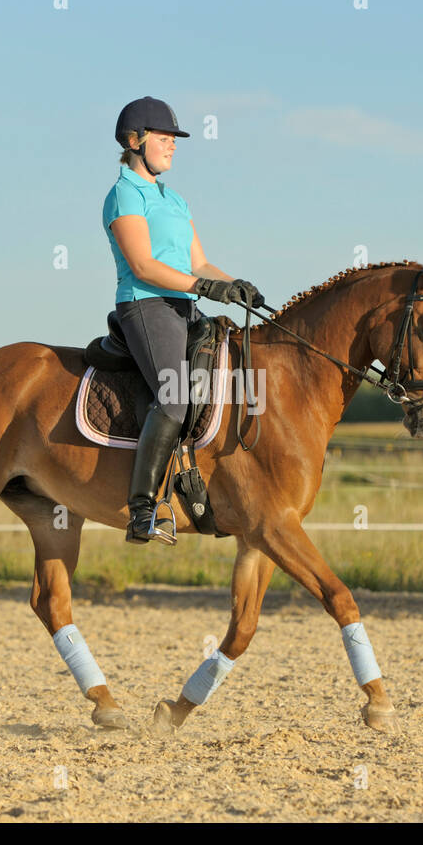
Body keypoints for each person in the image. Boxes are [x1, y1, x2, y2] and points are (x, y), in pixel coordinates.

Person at [102, 96, 264, 543]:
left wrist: (235, 285)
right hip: (145, 304)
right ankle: (142, 511)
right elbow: (144, 266)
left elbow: (200, 263)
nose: (172, 145)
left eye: (174, 139)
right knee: (173, 398)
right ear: (134, 142)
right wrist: (204, 288)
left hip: (185, 306)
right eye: (164, 137)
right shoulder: (124, 195)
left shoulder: (174, 199)